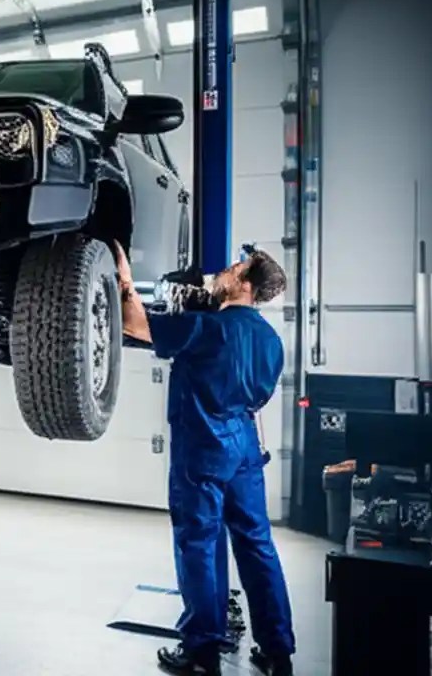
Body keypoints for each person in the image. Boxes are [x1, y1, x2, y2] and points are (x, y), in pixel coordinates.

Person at [114, 243, 296, 676]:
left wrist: (123, 277)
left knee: (198, 543)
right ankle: (277, 651)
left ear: (246, 285)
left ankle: (201, 652)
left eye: (235, 267)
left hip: (203, 447)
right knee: (256, 545)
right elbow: (260, 396)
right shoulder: (271, 342)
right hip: (245, 448)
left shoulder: (206, 328)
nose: (224, 269)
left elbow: (134, 324)